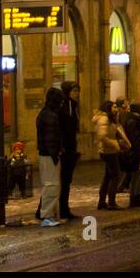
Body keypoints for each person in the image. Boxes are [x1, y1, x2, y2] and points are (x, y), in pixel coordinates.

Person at [92, 101, 130, 211]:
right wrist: (115, 144)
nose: (116, 109)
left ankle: (102, 202)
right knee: (116, 176)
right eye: (114, 107)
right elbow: (103, 136)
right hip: (108, 151)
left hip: (109, 150)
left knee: (108, 176)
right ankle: (111, 203)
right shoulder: (104, 119)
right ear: (107, 108)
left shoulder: (109, 118)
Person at [35, 88, 63, 226]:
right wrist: (55, 154)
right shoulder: (50, 116)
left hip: (46, 154)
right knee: (51, 185)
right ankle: (47, 215)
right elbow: (51, 138)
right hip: (49, 155)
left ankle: (51, 214)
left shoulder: (45, 114)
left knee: (51, 185)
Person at [57, 81, 81, 220]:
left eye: (78, 91)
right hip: (66, 148)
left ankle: (64, 208)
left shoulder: (73, 106)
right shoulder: (66, 106)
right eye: (74, 91)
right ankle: (63, 209)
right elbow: (66, 128)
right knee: (62, 181)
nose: (77, 94)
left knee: (65, 181)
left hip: (70, 147)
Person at [117, 102, 140, 207]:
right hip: (136, 152)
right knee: (136, 175)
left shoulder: (133, 120)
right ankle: (135, 198)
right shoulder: (133, 121)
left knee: (137, 175)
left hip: (136, 151)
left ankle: (136, 196)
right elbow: (135, 139)